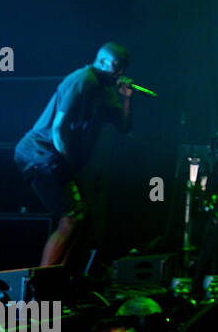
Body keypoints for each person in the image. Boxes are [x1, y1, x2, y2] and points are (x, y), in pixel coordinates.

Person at [13, 42, 134, 268]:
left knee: (82, 219)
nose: (120, 73)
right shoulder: (82, 80)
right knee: (72, 217)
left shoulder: (106, 89)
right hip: (40, 152)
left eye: (123, 68)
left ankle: (61, 277)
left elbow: (124, 127)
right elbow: (59, 128)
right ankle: (44, 283)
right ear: (103, 61)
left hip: (55, 158)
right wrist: (67, 164)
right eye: (117, 66)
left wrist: (126, 98)